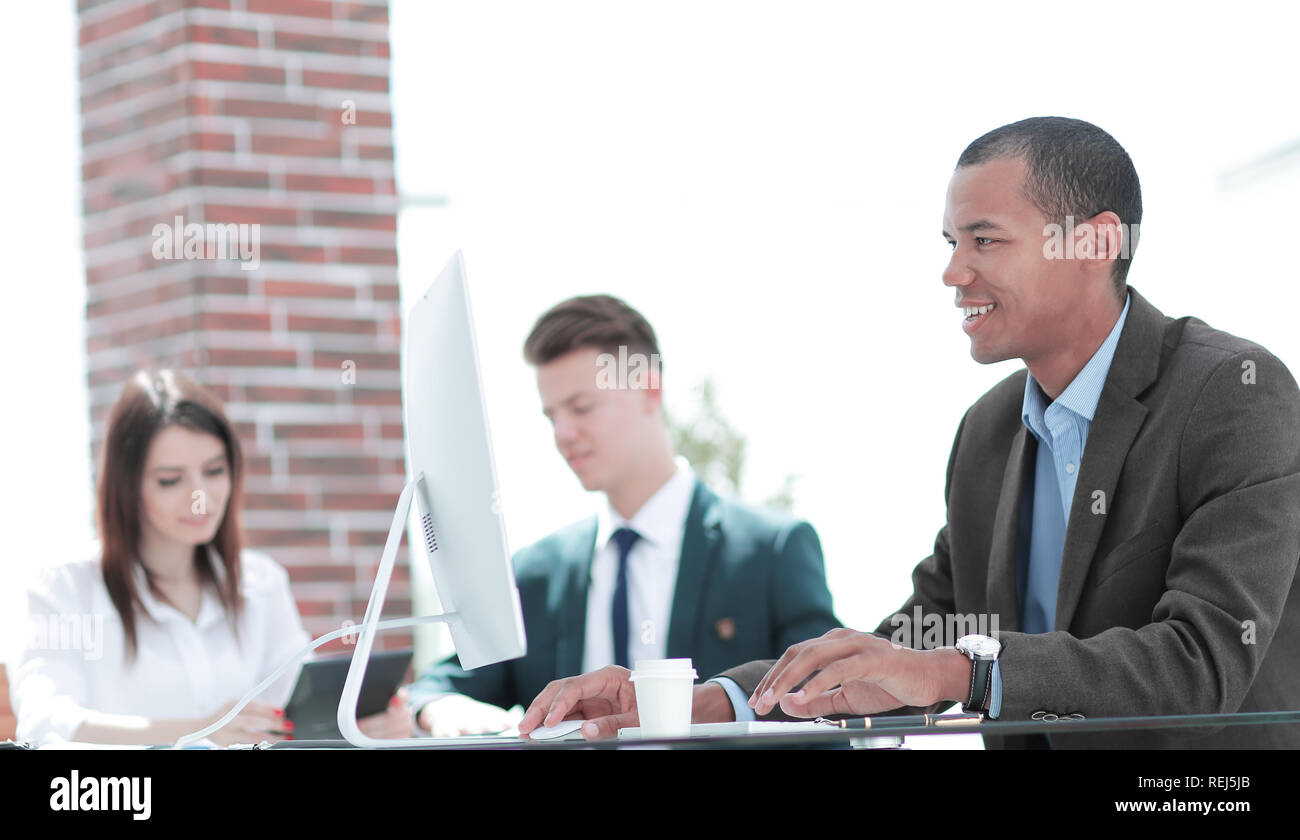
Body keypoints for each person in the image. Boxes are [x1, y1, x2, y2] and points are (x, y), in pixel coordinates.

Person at [518, 117, 1300, 749]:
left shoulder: (1233, 396)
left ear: (1095, 241)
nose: (954, 272)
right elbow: (904, 647)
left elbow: (1202, 666)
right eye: (951, 243)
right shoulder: (989, 432)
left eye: (985, 240)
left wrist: (958, 673)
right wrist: (688, 704)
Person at [408, 295, 841, 736]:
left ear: (648, 389)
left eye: (581, 407)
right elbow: (441, 685)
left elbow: (831, 691)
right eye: (550, 415)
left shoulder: (771, 551)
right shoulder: (537, 572)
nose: (563, 434)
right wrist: (442, 710)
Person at [11, 370, 412, 746]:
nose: (199, 496)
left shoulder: (261, 582)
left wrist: (355, 725)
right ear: (126, 487)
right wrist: (201, 732)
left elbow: (292, 709)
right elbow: (45, 725)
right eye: (170, 480)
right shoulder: (65, 588)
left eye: (214, 471)